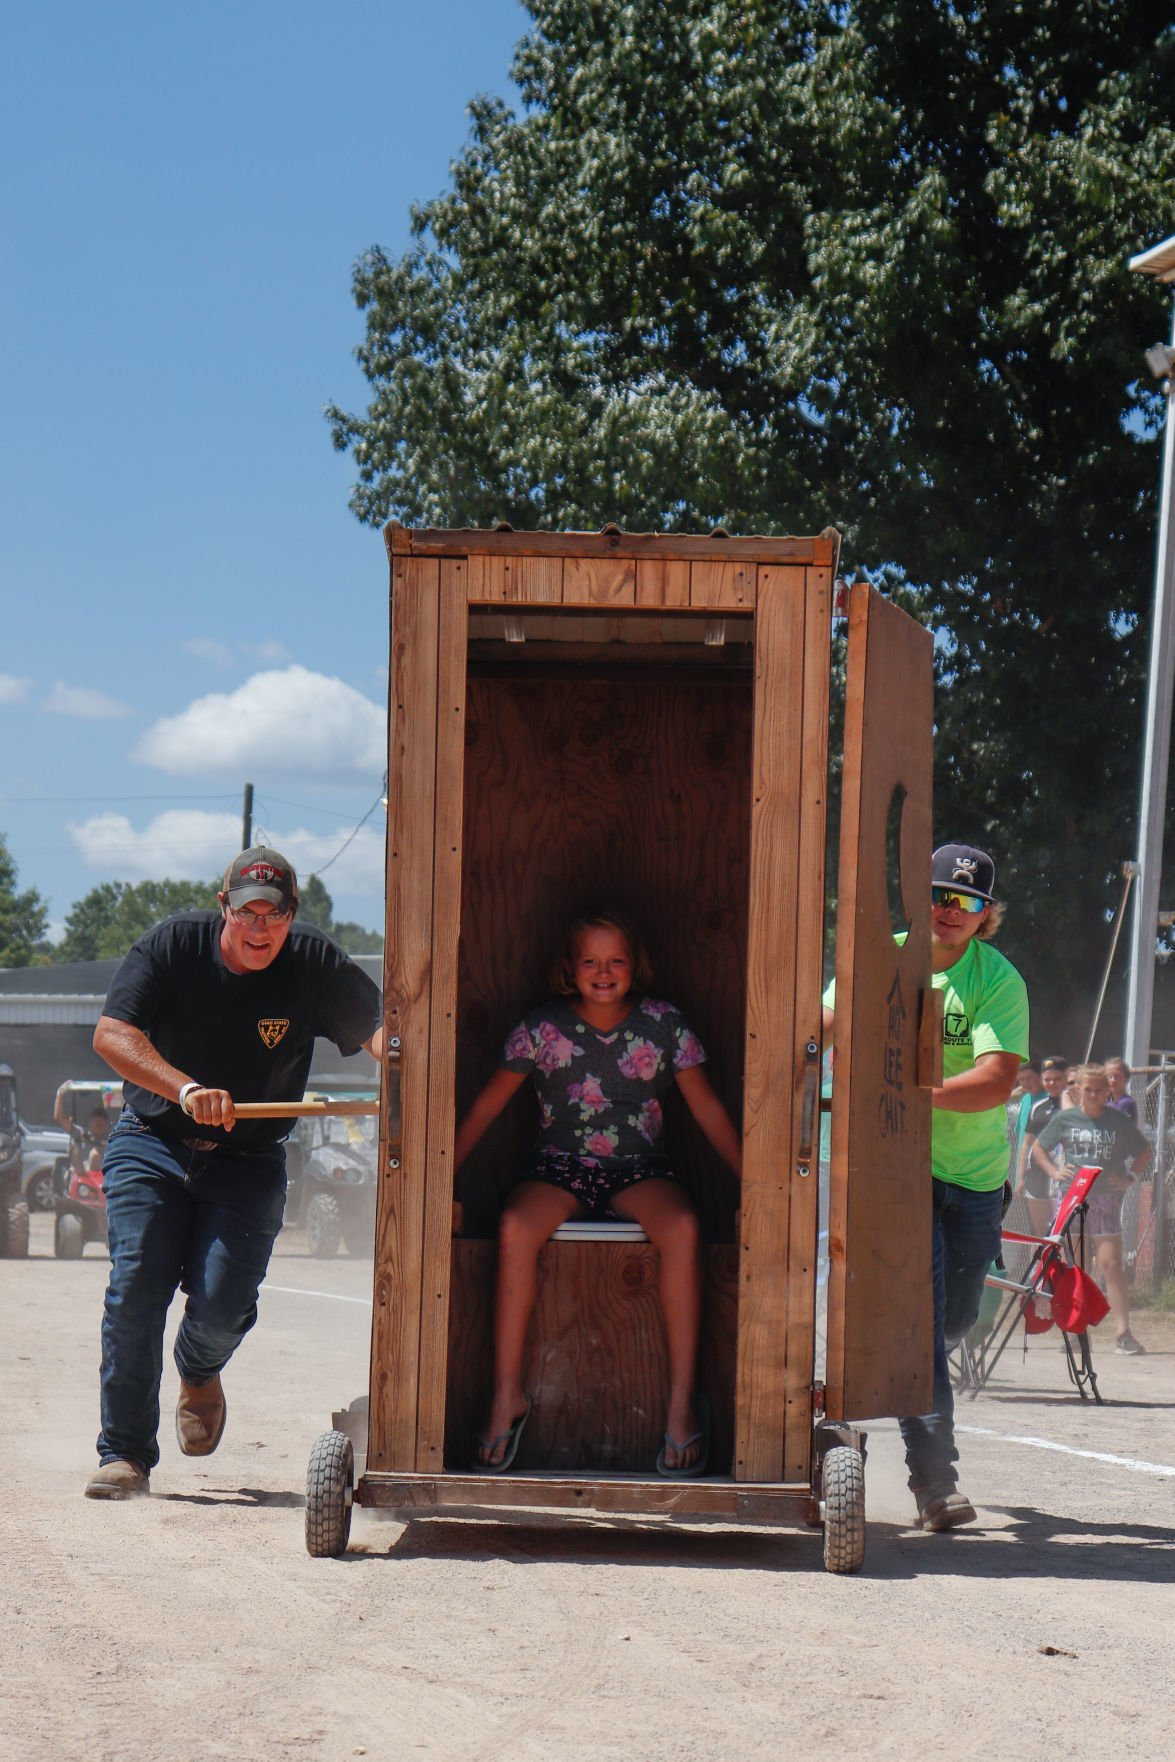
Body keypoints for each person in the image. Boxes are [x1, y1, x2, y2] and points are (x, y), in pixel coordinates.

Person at [84, 846, 383, 1500]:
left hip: (248, 1158)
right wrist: (185, 1089)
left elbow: (385, 1033)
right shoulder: (170, 946)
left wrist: (413, 1058)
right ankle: (125, 1454)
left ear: (290, 915)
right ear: (223, 908)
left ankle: (199, 1370)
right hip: (152, 1139)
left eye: (271, 916)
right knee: (136, 1283)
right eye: (245, 912)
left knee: (221, 1307)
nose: (258, 929)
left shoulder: (314, 962)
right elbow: (112, 1034)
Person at [453, 905, 742, 1477]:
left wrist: (755, 1179)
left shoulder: (664, 1023)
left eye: (616, 961)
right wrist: (438, 1174)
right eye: (590, 961)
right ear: (569, 967)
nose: (603, 972)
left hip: (641, 1168)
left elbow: (706, 1106)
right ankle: (506, 1394)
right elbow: (488, 1104)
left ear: (636, 966)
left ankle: (681, 1403)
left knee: (682, 1229)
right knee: (515, 1227)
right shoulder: (541, 1027)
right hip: (558, 1167)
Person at [823, 843, 1028, 1532]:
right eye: (940, 893)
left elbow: (997, 1080)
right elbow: (823, 1028)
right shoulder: (881, 954)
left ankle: (913, 1378)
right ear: (919, 897)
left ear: (984, 916)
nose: (950, 908)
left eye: (967, 901)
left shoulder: (995, 978)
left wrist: (910, 1092)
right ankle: (934, 1483)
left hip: (974, 1179)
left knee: (954, 1320)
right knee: (924, 1321)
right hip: (895, 1169)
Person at [1031, 1063, 1151, 1355]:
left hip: (1105, 1198)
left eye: (1100, 1089)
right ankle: (1077, 1330)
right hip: (1073, 1197)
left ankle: (1123, 1333)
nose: (1094, 1094)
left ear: (1108, 1090)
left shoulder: (1118, 1120)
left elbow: (1144, 1150)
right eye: (1088, 1089)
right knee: (1077, 1266)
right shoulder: (1065, 1119)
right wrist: (1054, 1171)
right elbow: (1039, 1147)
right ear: (1078, 1090)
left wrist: (1129, 1178)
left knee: (1111, 1263)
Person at [1016, 1055, 1069, 1238]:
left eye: (1057, 1079)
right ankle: (1042, 1267)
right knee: (1041, 1233)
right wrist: (1021, 1177)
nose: (1052, 1083)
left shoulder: (1074, 1105)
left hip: (1063, 1174)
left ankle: (1064, 1267)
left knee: (1063, 1232)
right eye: (1047, 1079)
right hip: (1037, 1176)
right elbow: (1027, 1144)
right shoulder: (1037, 1107)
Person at [1104, 1057, 1139, 1123]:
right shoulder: (1104, 1101)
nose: (1113, 1080)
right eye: (1109, 1076)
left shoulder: (1126, 1103)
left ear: (1126, 1078)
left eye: (1117, 1076)